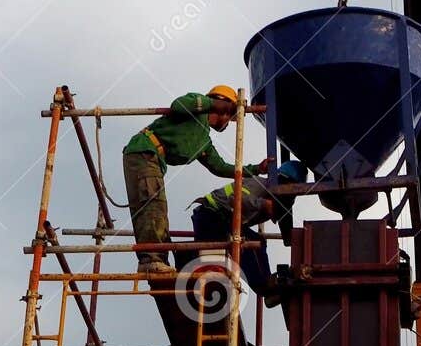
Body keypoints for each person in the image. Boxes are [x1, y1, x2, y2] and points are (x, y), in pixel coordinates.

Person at [121, 87, 271, 275]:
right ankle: (151, 260)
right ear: (223, 107)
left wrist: (256, 169)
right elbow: (178, 105)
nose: (229, 122)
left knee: (158, 209)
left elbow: (220, 167)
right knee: (152, 206)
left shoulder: (204, 141)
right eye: (230, 115)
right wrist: (215, 104)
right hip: (144, 151)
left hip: (153, 159)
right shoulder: (196, 108)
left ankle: (158, 259)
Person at [180, 160, 307, 295]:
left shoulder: (274, 199)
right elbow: (235, 199)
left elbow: (285, 229)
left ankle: (265, 285)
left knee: (247, 243)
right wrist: (262, 204)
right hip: (211, 215)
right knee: (253, 242)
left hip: (216, 220)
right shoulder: (259, 185)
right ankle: (264, 284)